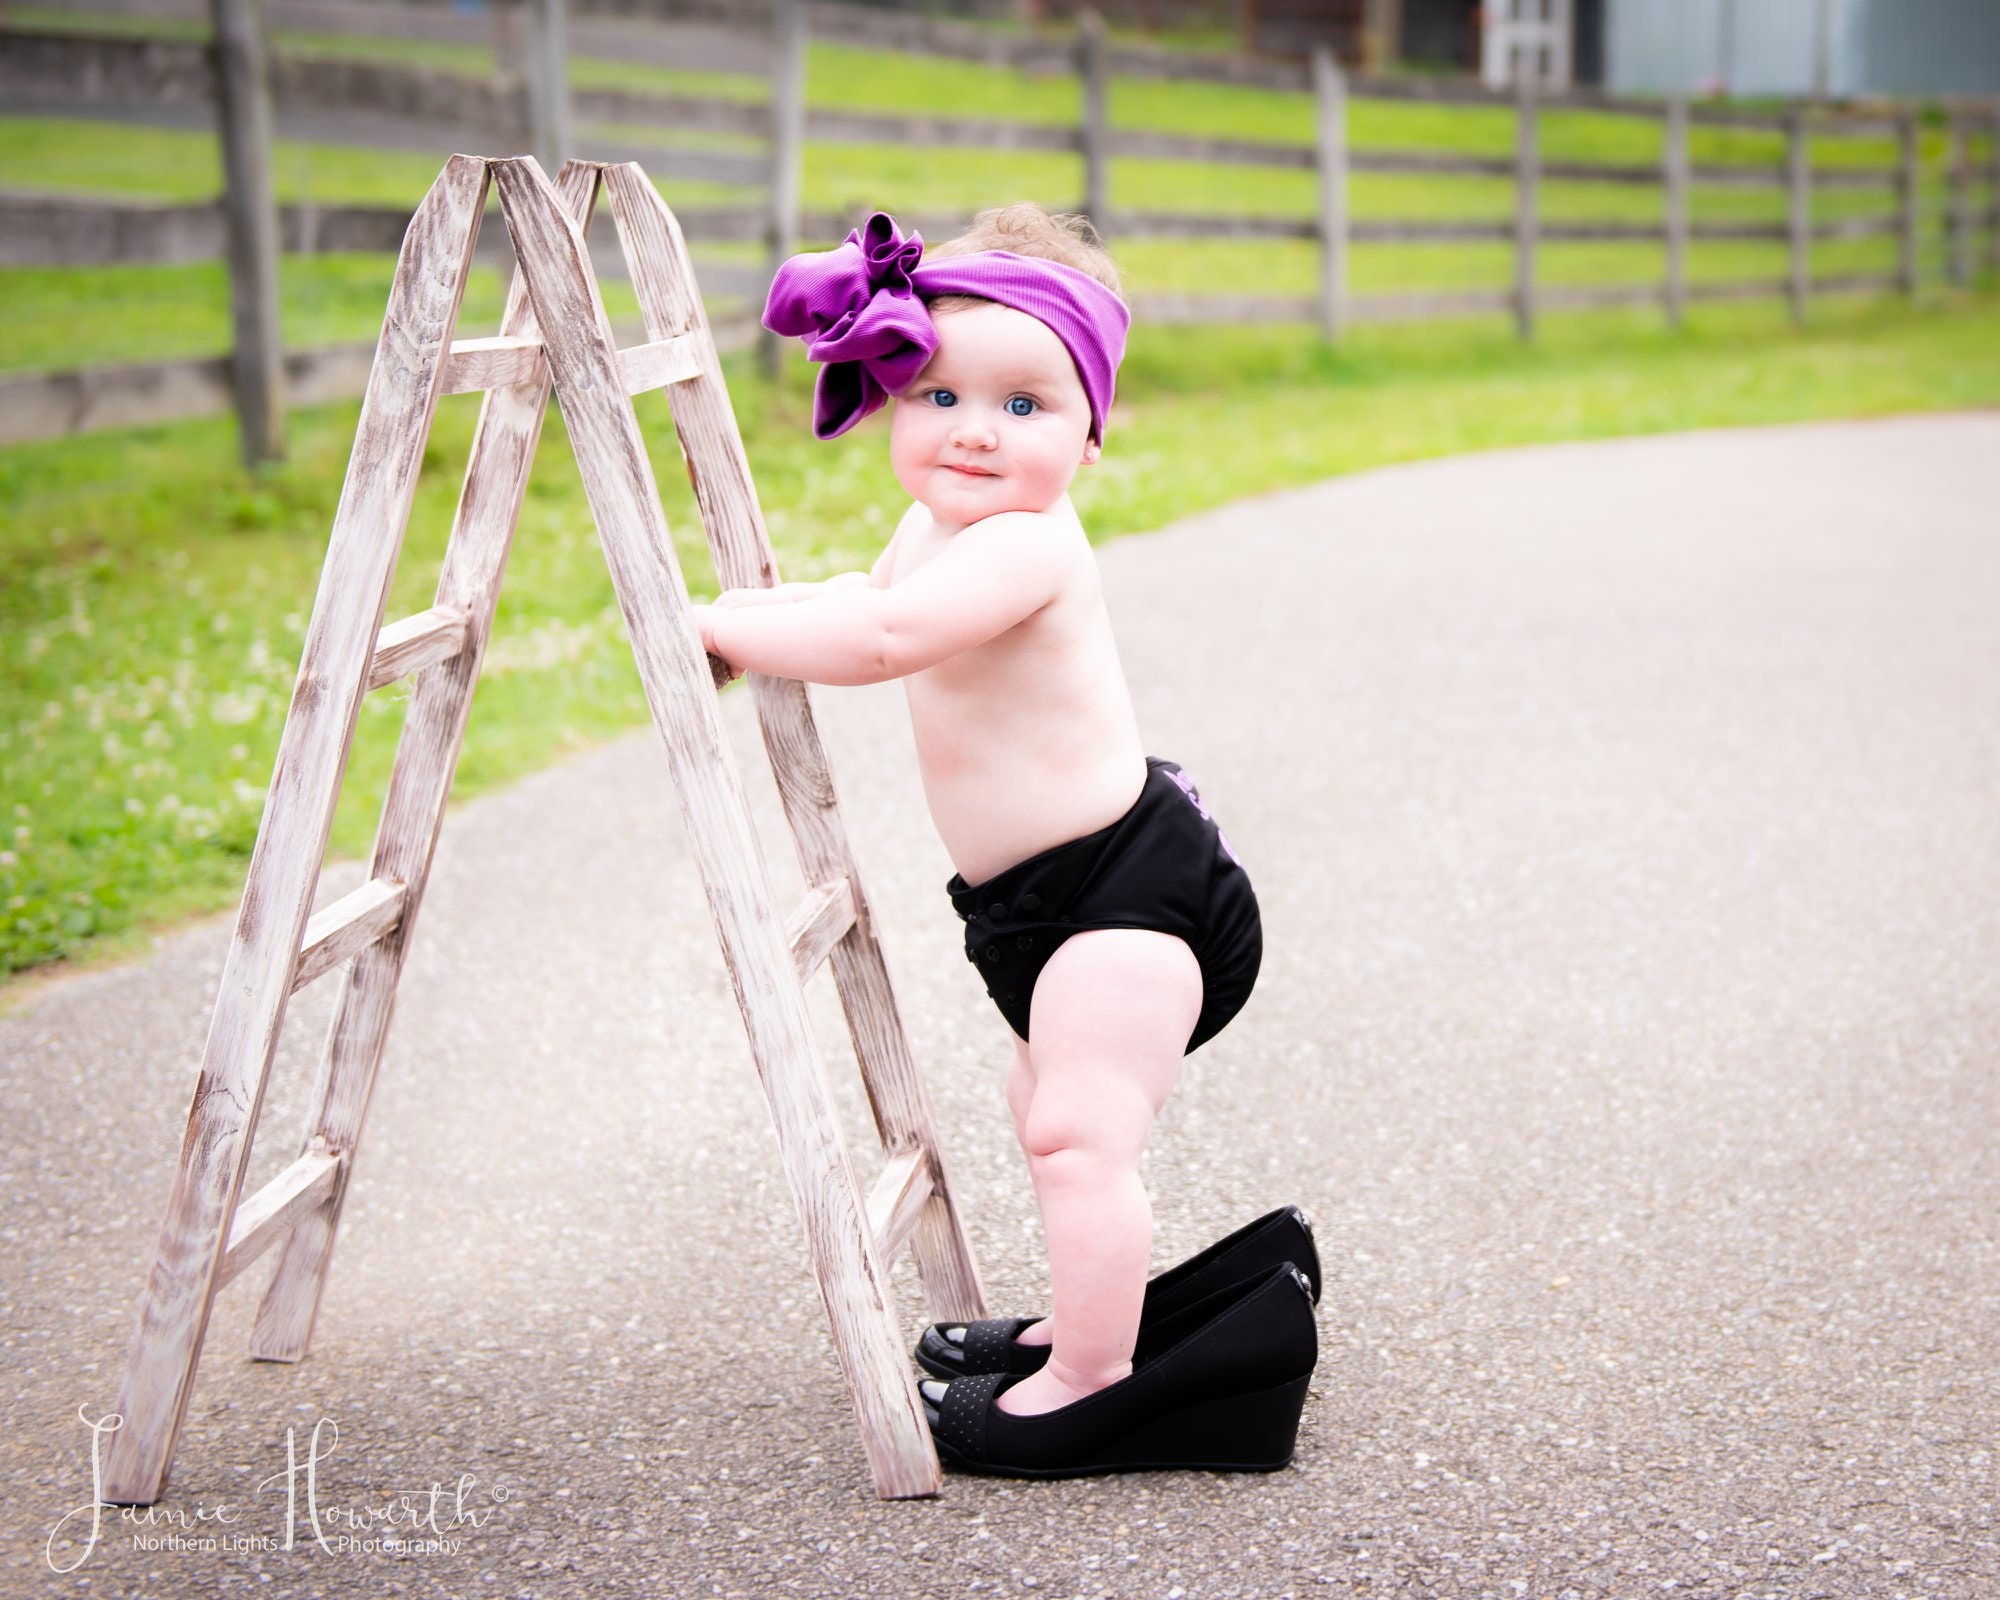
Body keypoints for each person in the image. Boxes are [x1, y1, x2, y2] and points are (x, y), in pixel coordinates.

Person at [690, 205, 1264, 1433]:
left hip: (1128, 894)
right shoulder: (936, 523)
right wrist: (766, 611)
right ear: (894, 398)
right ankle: (1081, 1315)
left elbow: (886, 640)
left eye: (1023, 407)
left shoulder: (1027, 546)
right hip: (1032, 908)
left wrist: (716, 623)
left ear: (1088, 437)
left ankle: (1093, 1383)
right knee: (1038, 1108)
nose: (971, 434)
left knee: (1075, 1133)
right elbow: (863, 597)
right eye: (939, 396)